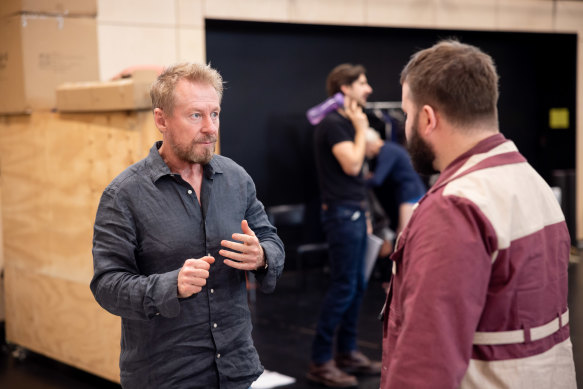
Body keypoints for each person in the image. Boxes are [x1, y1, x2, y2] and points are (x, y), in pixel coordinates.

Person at [381, 40, 576, 388]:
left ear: (427, 119)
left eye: (408, 115)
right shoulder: (534, 183)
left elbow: (425, 367)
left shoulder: (455, 207)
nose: (406, 127)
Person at [90, 62, 285, 389]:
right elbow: (107, 285)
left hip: (236, 369)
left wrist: (263, 255)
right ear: (161, 120)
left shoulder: (236, 179)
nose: (210, 128)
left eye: (215, 114)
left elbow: (270, 239)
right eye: (196, 115)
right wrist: (171, 286)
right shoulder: (124, 195)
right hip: (167, 376)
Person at [308, 63, 381, 388]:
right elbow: (352, 164)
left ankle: (347, 352)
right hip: (341, 215)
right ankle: (321, 361)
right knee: (343, 287)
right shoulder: (333, 124)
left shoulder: (348, 122)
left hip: (355, 212)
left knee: (357, 287)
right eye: (362, 83)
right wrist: (359, 126)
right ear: (345, 88)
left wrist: (361, 127)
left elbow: (367, 155)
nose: (368, 89)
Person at [364, 128, 425, 235]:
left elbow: (377, 180)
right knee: (404, 232)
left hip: (410, 194)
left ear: (368, 144)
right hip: (409, 193)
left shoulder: (387, 152)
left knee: (403, 233)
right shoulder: (388, 149)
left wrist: (360, 181)